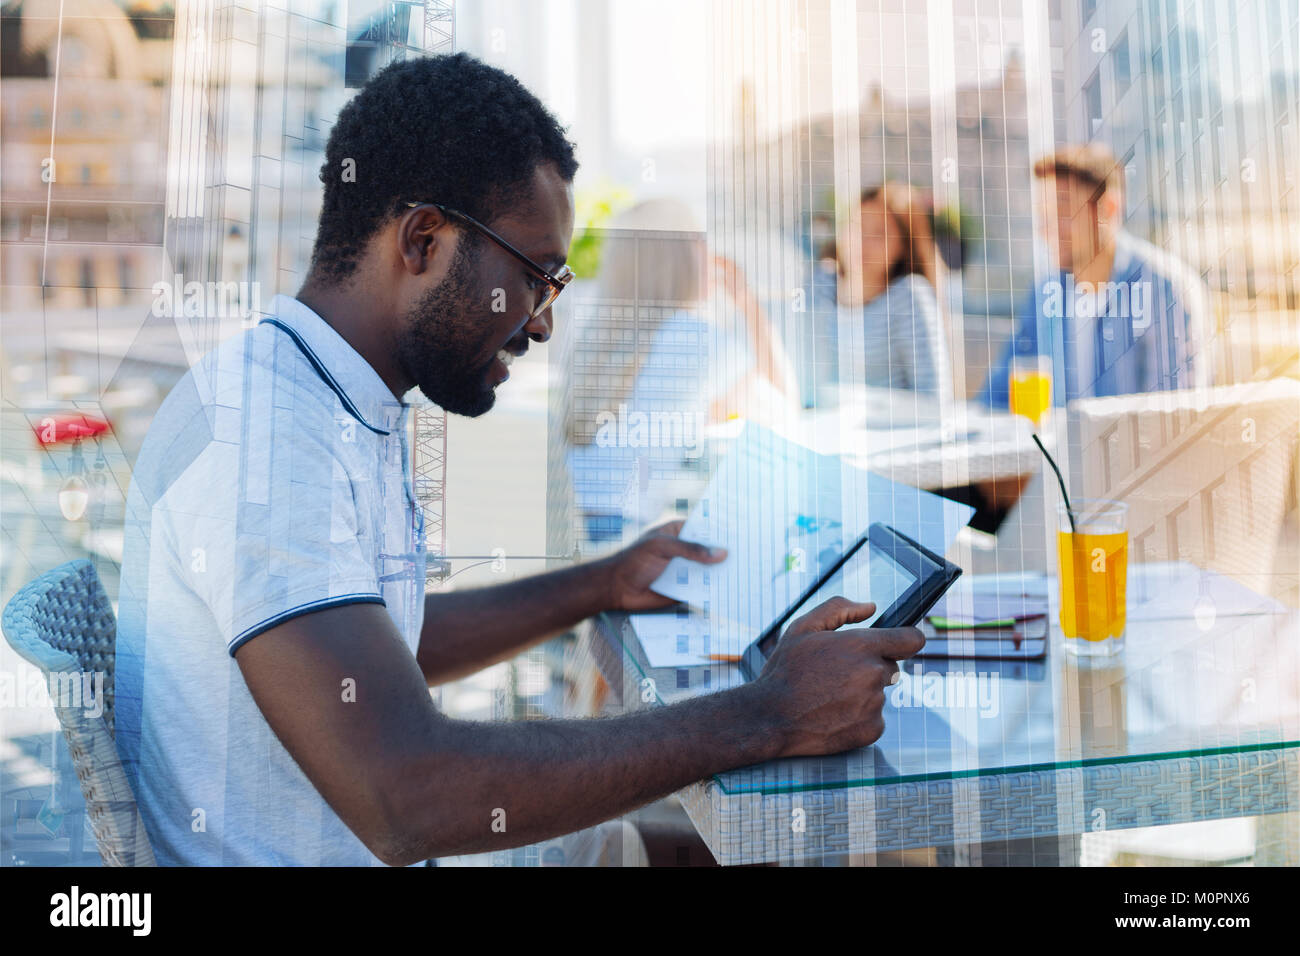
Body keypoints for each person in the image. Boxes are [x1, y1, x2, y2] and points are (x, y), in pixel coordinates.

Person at [114, 53, 923, 867]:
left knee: (720, 844)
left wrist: (600, 581)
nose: (541, 323)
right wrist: (769, 713)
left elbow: (385, 649)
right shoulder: (268, 437)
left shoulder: (317, 394)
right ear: (423, 239)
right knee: (761, 843)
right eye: (536, 276)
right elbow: (409, 797)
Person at [566, 199, 799, 541]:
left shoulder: (591, 337)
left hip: (573, 535)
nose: (708, 252)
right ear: (681, 258)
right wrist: (747, 302)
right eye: (698, 241)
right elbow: (785, 406)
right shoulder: (697, 340)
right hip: (624, 545)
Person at [979, 143, 1212, 409]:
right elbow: (995, 397)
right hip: (1055, 451)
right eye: (1043, 215)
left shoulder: (1164, 289)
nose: (1047, 230)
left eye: (1061, 213)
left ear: (1108, 209)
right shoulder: (1046, 293)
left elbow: (1172, 419)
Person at [822, 183, 957, 405]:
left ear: (903, 246)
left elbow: (936, 401)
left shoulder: (910, 298)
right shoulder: (822, 285)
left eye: (878, 234)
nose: (861, 243)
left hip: (893, 435)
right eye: (856, 227)